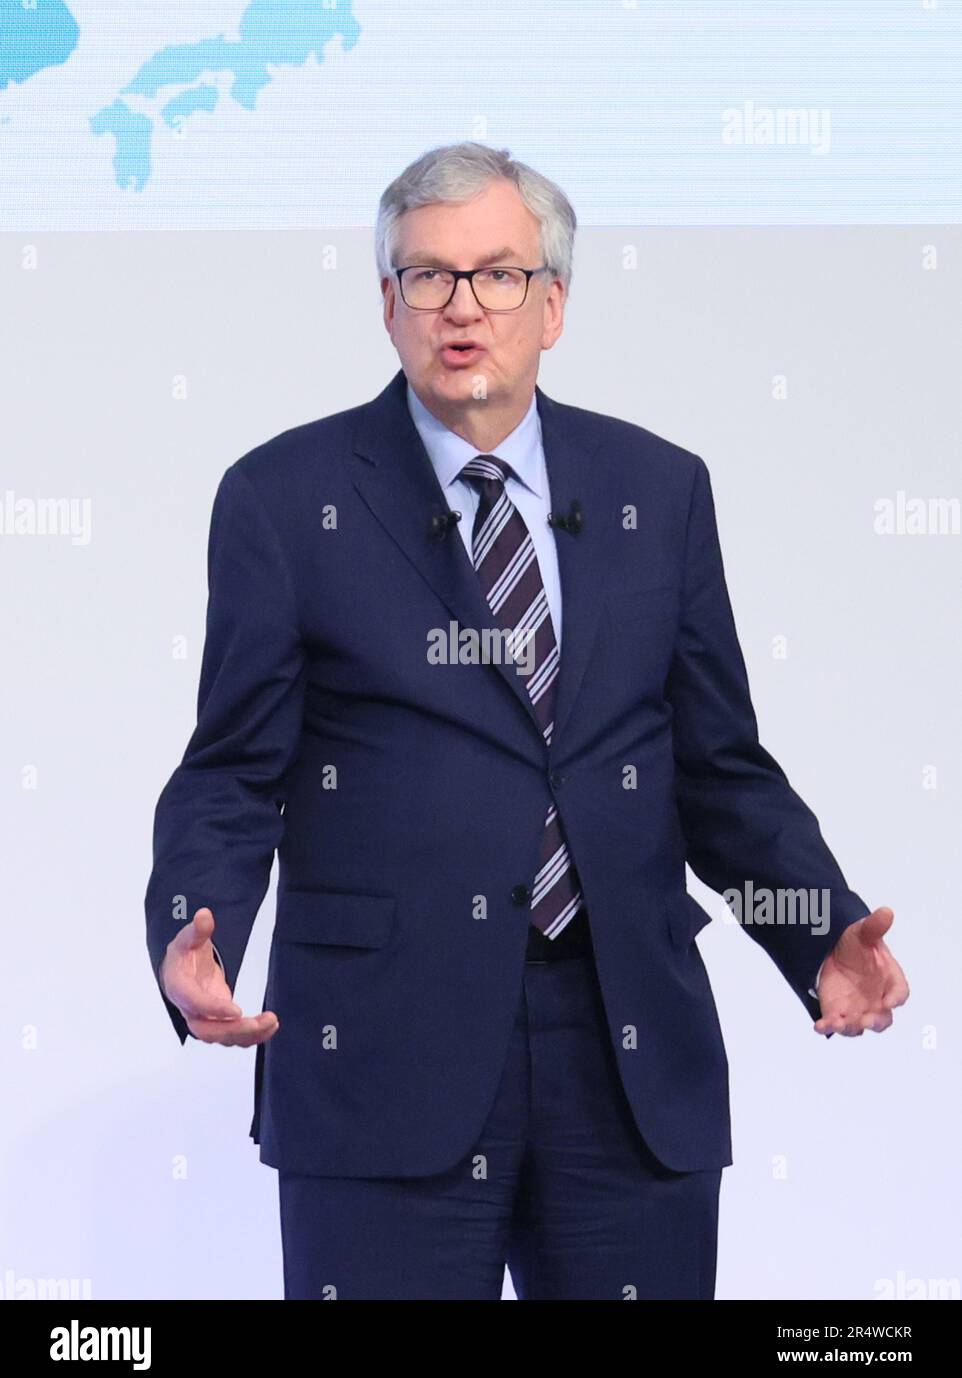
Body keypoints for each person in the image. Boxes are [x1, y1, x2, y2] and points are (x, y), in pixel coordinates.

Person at [145, 141, 908, 1300]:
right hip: (382, 1059)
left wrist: (817, 932)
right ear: (386, 304)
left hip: (623, 1057)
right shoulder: (286, 499)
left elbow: (715, 771)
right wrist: (189, 931)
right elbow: (231, 774)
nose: (463, 308)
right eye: (428, 277)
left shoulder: (661, 489)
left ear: (551, 305)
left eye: (497, 275)